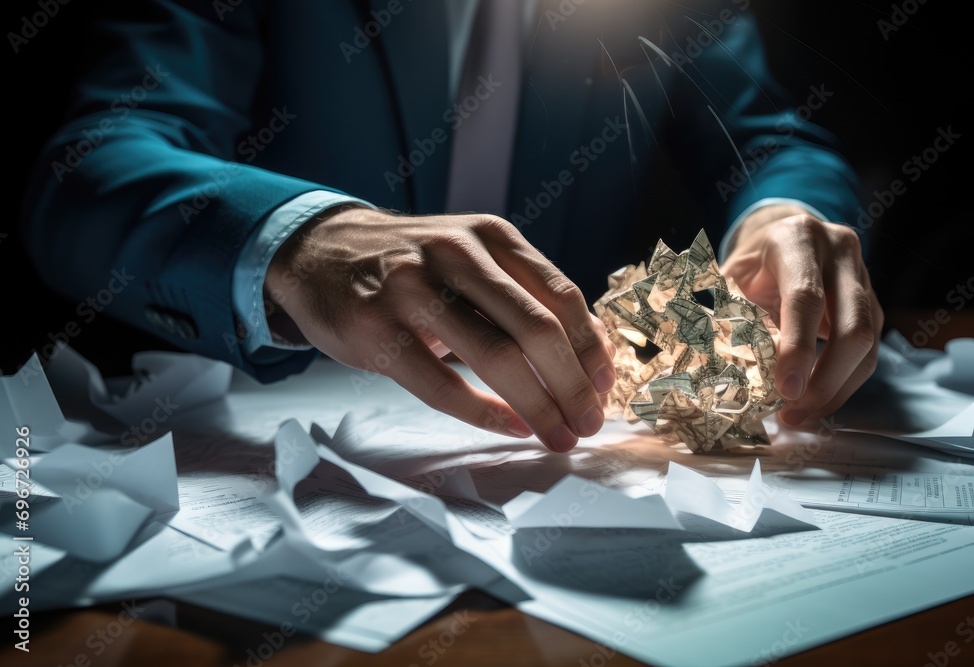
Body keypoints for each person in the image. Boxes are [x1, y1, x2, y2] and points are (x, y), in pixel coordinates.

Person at [21, 0, 883, 452]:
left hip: (561, 467)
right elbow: (88, 167)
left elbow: (769, 138)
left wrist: (787, 213)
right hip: (282, 448)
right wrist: (297, 238)